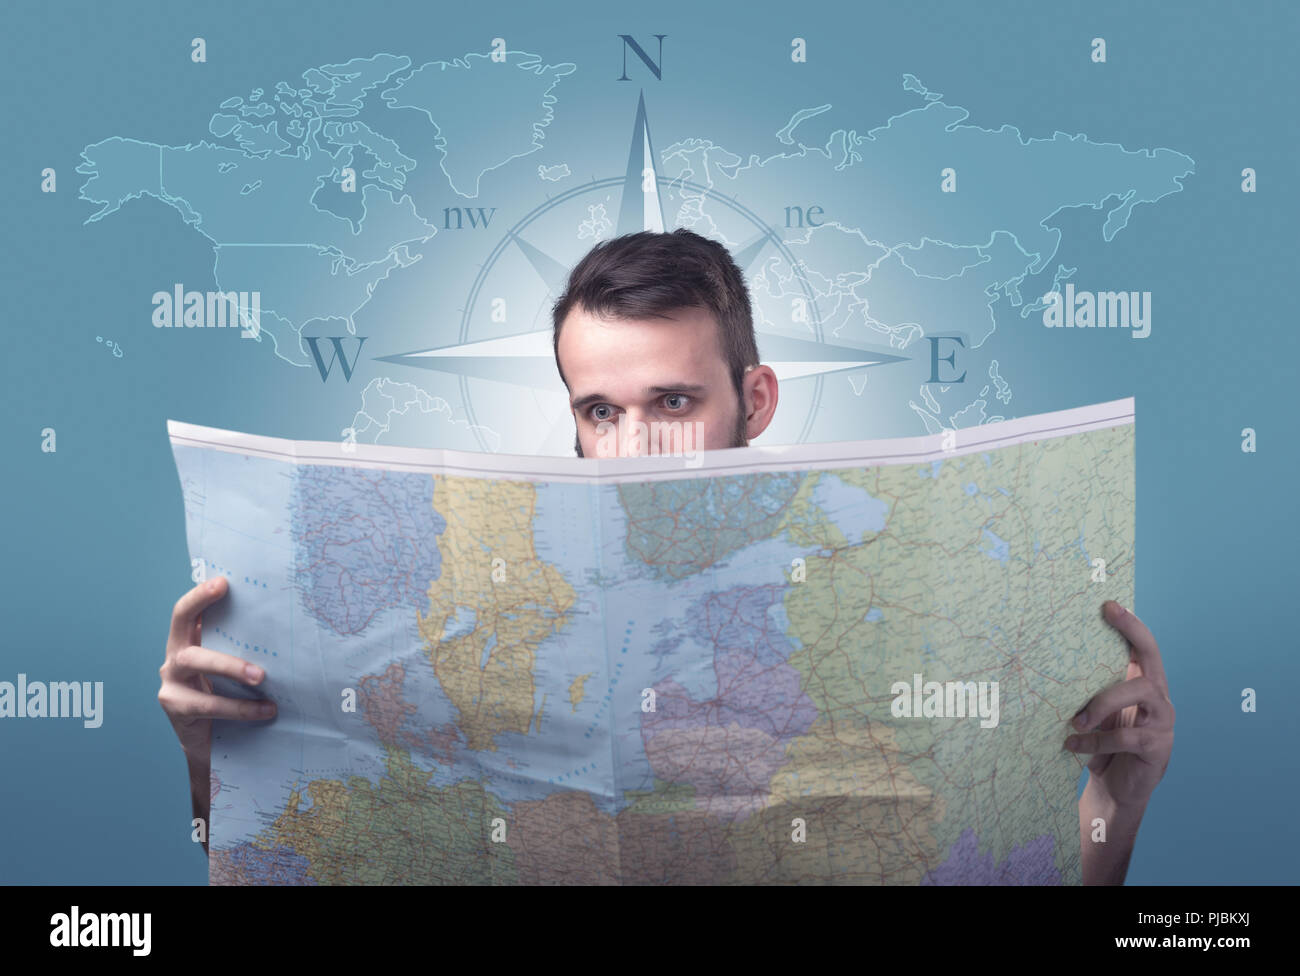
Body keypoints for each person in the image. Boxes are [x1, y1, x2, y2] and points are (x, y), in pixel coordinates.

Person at [159, 228, 1174, 883]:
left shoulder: (875, 587)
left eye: (674, 401)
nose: (636, 445)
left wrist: (1111, 812)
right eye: (600, 411)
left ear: (755, 400)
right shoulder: (497, 602)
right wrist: (215, 770)